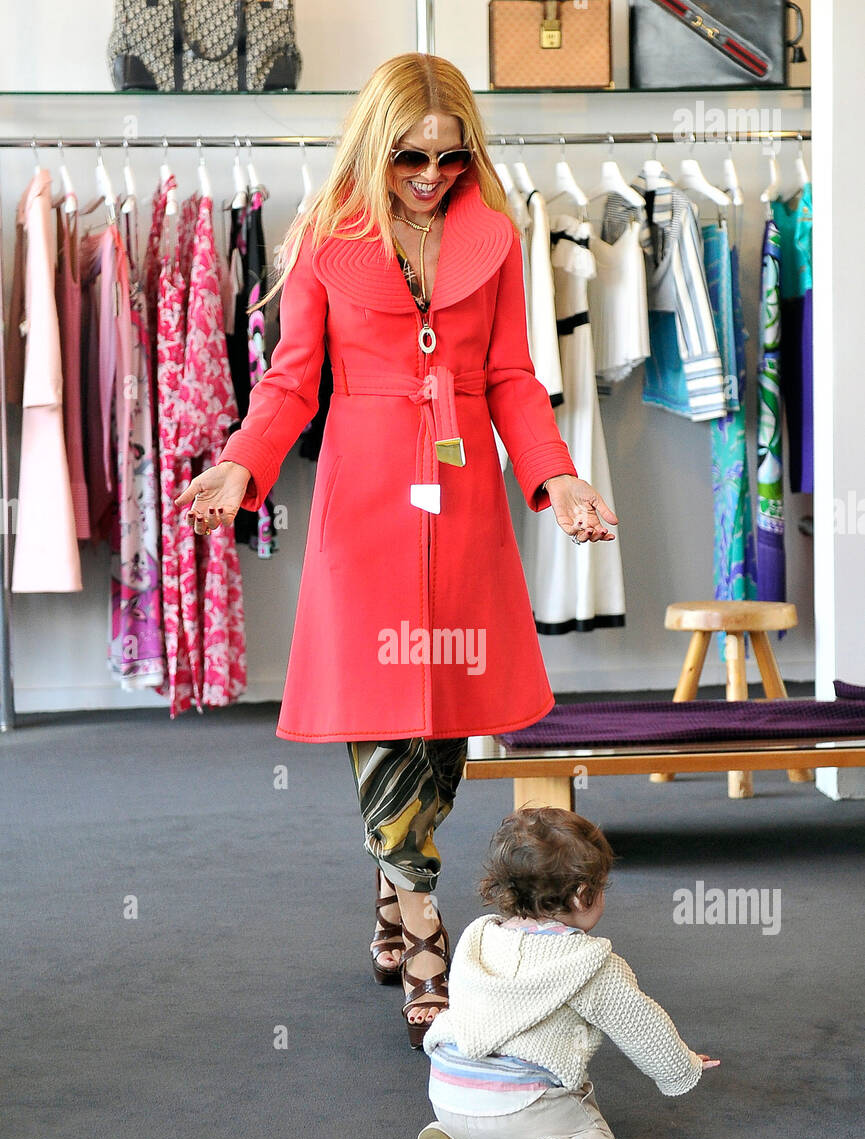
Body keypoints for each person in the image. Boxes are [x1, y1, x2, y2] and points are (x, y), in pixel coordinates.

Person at [173, 53, 618, 1049]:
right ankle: (421, 920)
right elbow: (291, 381)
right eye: (411, 157)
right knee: (383, 711)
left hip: (460, 502)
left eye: (449, 157)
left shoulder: (495, 237)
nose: (429, 175)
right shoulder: (326, 236)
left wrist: (559, 478)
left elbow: (509, 377)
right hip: (364, 500)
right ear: (377, 145)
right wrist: (244, 464)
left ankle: (389, 881)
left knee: (445, 715)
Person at [417, 808, 720, 1139]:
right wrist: (682, 1065)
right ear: (581, 894)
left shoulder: (478, 938)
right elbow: (640, 1024)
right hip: (525, 1109)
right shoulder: (589, 962)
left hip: (448, 1093)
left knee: (485, 1125)